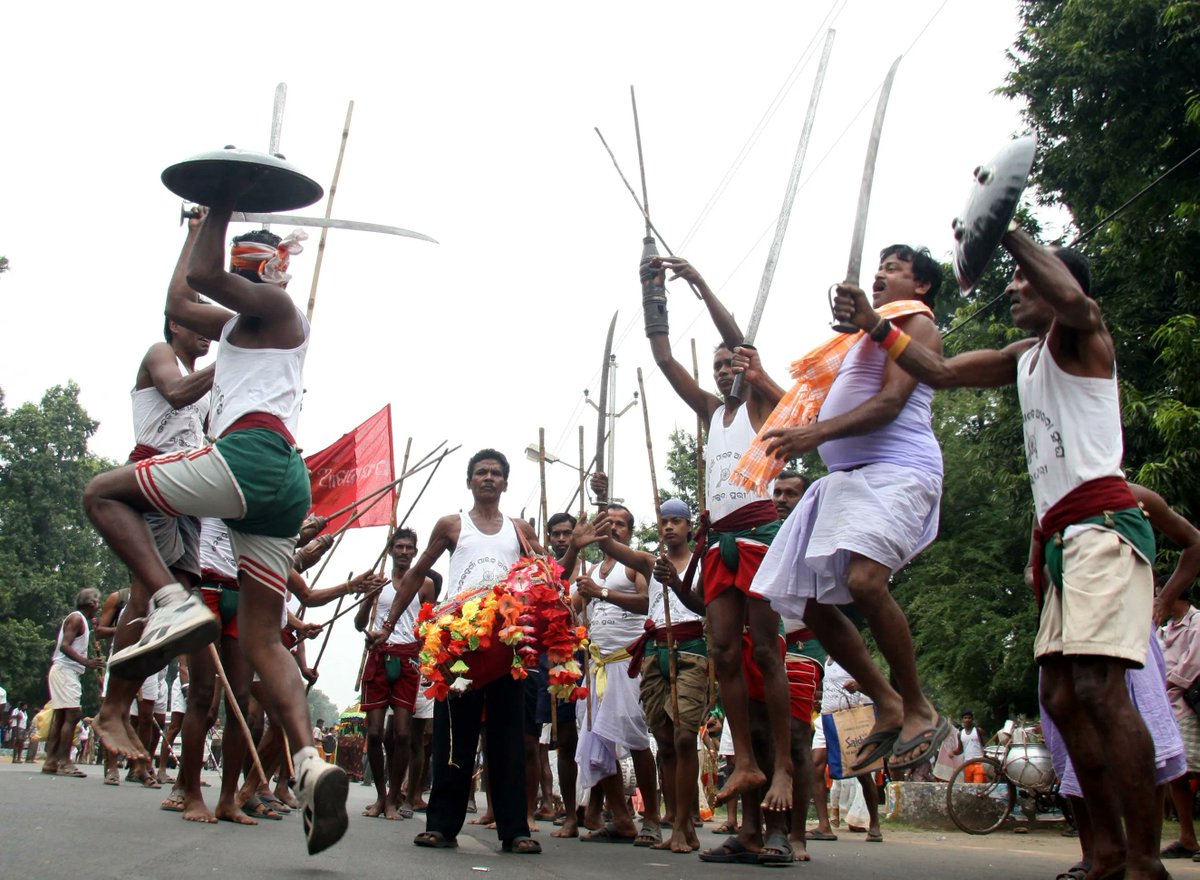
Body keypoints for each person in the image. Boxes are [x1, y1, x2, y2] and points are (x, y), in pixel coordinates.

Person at [833, 229, 1162, 880]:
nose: (1012, 286)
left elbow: (1076, 302)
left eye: (1025, 278)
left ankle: (1146, 862)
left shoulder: (1086, 335)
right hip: (1062, 539)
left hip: (1102, 528)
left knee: (1098, 690)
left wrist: (1005, 229)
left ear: (1058, 287)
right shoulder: (1023, 356)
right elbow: (940, 372)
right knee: (1062, 698)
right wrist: (874, 324)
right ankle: (1105, 853)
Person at [82, 183, 348, 855]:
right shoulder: (235, 331)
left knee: (103, 494)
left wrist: (222, 202)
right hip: (280, 486)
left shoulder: (280, 310)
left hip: (249, 458)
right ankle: (309, 760)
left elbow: (200, 280)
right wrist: (199, 223)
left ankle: (172, 602)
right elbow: (180, 301)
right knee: (263, 641)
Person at [741, 245, 947, 775]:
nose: (880, 274)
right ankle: (887, 701)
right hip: (846, 481)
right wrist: (762, 381)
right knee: (803, 599)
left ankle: (917, 705)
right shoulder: (855, 340)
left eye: (894, 268)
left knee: (865, 581)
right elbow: (815, 412)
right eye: (878, 267)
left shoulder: (917, 325)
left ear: (921, 286)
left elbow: (889, 404)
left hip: (897, 470)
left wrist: (814, 435)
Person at [642, 253, 794, 812]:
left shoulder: (761, 403)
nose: (725, 371)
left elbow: (739, 339)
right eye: (718, 367)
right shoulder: (711, 412)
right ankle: (746, 761)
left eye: (733, 364)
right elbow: (663, 358)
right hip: (720, 542)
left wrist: (700, 282)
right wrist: (652, 292)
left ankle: (782, 765)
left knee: (766, 652)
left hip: (758, 535)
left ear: (747, 367)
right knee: (725, 651)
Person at [377, 449, 574, 855]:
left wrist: (574, 550)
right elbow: (417, 573)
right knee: (453, 738)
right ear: (469, 481)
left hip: (507, 645)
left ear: (505, 483)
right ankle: (442, 826)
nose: (488, 478)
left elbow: (550, 576)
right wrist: (388, 623)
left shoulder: (520, 530)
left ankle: (514, 830)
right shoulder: (451, 525)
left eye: (495, 473)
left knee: (508, 739)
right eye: (481, 472)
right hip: (459, 645)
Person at [571, 495, 660, 846]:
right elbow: (570, 610)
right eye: (608, 524)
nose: (613, 529)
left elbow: (648, 603)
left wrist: (602, 592)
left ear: (629, 531)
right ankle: (621, 818)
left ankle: (651, 819)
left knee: (636, 738)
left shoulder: (635, 565)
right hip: (597, 664)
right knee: (597, 739)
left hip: (629, 661)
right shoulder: (591, 569)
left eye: (620, 524)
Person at [356, 527, 436, 821]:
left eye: (409, 548)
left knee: (403, 734)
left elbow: (429, 626)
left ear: (415, 552)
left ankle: (393, 799)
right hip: (379, 655)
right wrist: (369, 596)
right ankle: (380, 796)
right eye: (399, 547)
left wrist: (427, 660)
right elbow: (359, 623)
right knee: (375, 733)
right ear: (390, 550)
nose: (404, 552)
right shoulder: (379, 583)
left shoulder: (425, 584)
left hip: (409, 660)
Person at [43, 589, 104, 777]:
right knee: (73, 714)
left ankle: (51, 761)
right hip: (65, 671)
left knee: (61, 716)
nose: (99, 606)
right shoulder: (76, 619)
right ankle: (65, 762)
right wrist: (87, 662)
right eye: (97, 602)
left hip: (66, 671)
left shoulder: (81, 620)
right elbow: (64, 646)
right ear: (91, 604)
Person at [951, 710, 987, 782]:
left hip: (979, 763)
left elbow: (985, 745)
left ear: (972, 719)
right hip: (967, 764)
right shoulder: (960, 734)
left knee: (978, 785)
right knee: (968, 786)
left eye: (969, 718)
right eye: (965, 718)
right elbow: (960, 750)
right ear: (962, 720)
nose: (967, 720)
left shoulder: (978, 731)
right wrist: (952, 752)